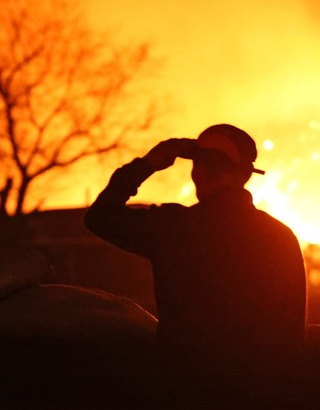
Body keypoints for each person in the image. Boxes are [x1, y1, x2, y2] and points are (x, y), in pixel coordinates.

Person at [84, 124, 307, 373]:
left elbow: (99, 217)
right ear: (244, 175)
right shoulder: (281, 236)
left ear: (201, 171)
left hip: (187, 393)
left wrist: (147, 164)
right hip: (264, 395)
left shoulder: (175, 227)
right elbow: (293, 331)